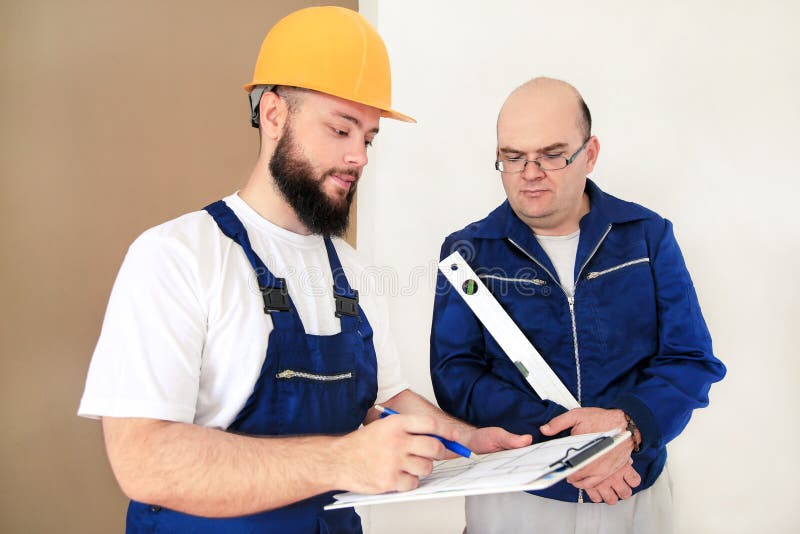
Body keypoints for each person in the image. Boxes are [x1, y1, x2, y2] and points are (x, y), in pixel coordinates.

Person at [77, 7, 530, 533]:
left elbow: (383, 400)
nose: (359, 157)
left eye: (368, 138)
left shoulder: (354, 273)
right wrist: (341, 460)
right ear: (274, 115)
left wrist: (469, 440)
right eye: (340, 129)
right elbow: (143, 461)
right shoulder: (178, 255)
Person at [430, 77, 726, 533]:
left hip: (631, 489)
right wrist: (573, 439)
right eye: (513, 157)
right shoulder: (467, 251)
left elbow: (690, 359)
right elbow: (457, 376)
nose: (530, 172)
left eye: (552, 155)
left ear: (590, 154)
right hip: (517, 493)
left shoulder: (648, 237)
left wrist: (627, 427)